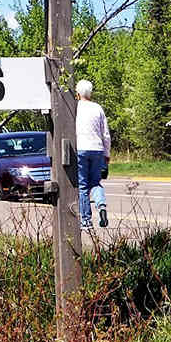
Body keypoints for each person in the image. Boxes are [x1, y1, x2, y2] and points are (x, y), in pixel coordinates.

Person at [75, 79, 111, 231]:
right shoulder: (98, 108)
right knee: (96, 182)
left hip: (81, 148)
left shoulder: (75, 108)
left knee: (82, 186)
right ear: (91, 93)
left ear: (77, 94)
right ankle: (101, 206)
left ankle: (86, 221)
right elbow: (106, 134)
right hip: (97, 149)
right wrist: (107, 153)